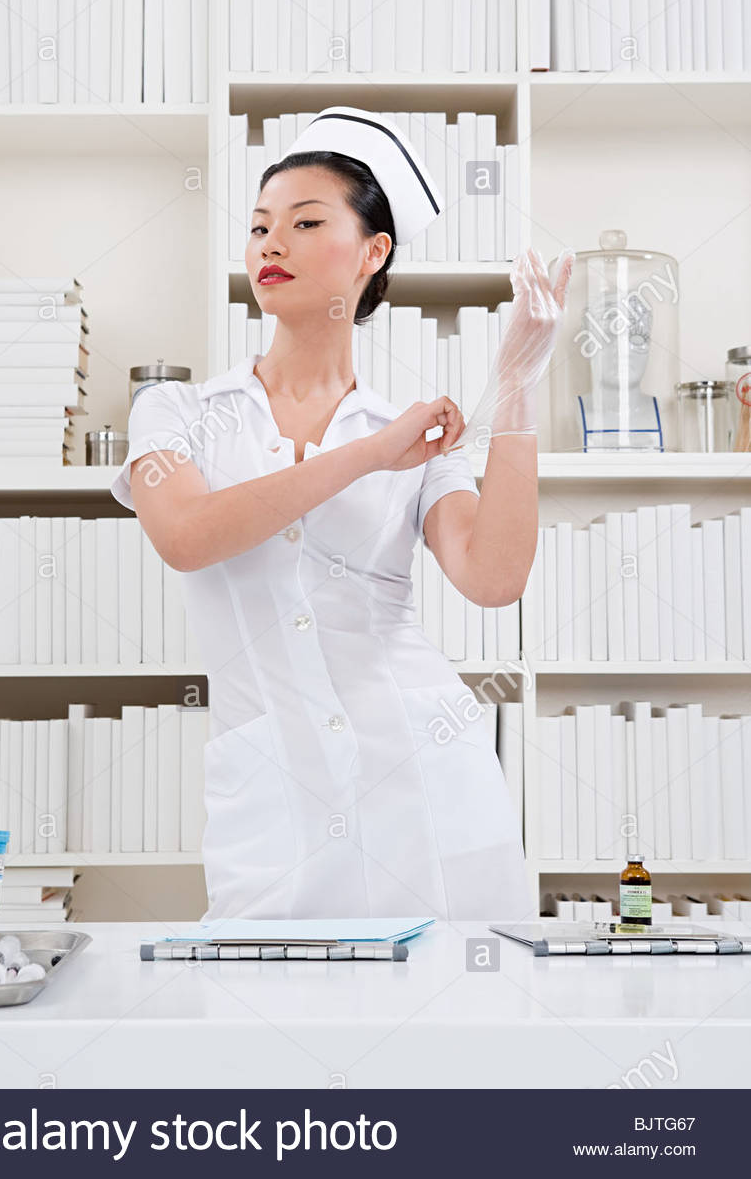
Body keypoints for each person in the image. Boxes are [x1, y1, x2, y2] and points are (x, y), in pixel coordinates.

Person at [110, 106, 574, 923]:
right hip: (275, 799)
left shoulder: (420, 437)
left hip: (428, 781)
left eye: (305, 221)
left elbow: (494, 577)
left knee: (456, 1033)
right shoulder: (175, 412)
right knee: (263, 1030)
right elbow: (186, 536)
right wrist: (368, 454)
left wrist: (516, 386)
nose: (270, 245)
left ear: (373, 252)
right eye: (258, 228)